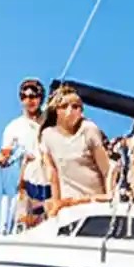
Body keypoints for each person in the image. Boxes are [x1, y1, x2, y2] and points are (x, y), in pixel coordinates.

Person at [39, 86, 113, 216]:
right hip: (68, 205)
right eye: (64, 106)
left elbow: (107, 171)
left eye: (75, 107)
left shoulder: (89, 130)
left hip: (95, 203)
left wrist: (110, 201)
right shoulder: (47, 136)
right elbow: (52, 174)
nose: (70, 111)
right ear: (56, 110)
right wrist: (56, 205)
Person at [0, 78, 50, 225]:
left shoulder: (51, 120)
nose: (28, 100)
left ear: (41, 98)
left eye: (33, 96)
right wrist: (0, 158)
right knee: (24, 221)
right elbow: (6, 153)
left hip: (53, 179)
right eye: (24, 97)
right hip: (29, 182)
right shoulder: (13, 127)